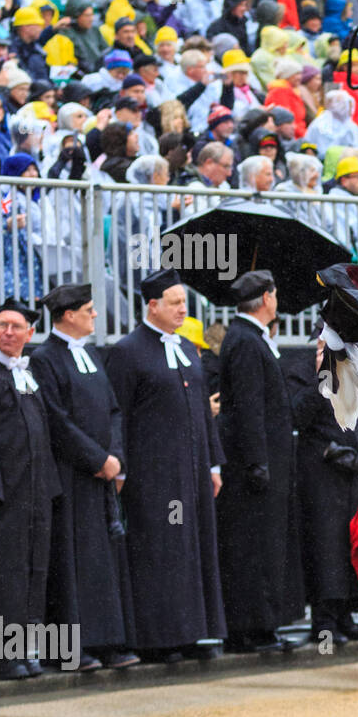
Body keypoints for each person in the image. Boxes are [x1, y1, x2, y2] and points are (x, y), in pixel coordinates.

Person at [107, 270, 225, 663]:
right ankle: (160, 638)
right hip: (153, 473)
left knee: (193, 547)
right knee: (161, 550)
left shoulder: (188, 349)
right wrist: (121, 467)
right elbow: (117, 414)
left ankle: (193, 631)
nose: (182, 309)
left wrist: (213, 463)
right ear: (152, 305)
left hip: (191, 470)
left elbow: (203, 413)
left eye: (183, 301)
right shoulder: (128, 351)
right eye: (174, 302)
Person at [28, 284, 138, 669]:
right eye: (88, 310)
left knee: (103, 560)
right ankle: (72, 648)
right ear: (69, 315)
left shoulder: (91, 353)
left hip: (103, 473)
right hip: (72, 475)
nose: (94, 315)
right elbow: (57, 421)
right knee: (73, 561)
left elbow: (112, 410)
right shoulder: (44, 358)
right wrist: (96, 458)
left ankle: (109, 639)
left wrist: (117, 459)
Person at [215, 270, 297, 655]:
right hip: (254, 468)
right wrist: (257, 462)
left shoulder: (249, 338)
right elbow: (248, 408)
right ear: (266, 298)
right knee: (251, 547)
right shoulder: (246, 341)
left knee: (263, 546)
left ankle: (261, 623)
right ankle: (251, 628)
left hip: (263, 463)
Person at [0, 298, 60, 679]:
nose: (8, 332)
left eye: (16, 327)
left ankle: (25, 650)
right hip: (3, 495)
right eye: (1, 325)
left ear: (30, 333)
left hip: (33, 493)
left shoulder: (24, 373)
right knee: (1, 575)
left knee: (31, 570)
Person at [288, 333, 358, 645]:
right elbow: (296, 416)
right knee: (326, 549)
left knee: (349, 545)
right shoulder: (300, 373)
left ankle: (347, 616)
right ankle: (324, 622)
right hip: (321, 474)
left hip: (352, 473)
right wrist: (321, 381)